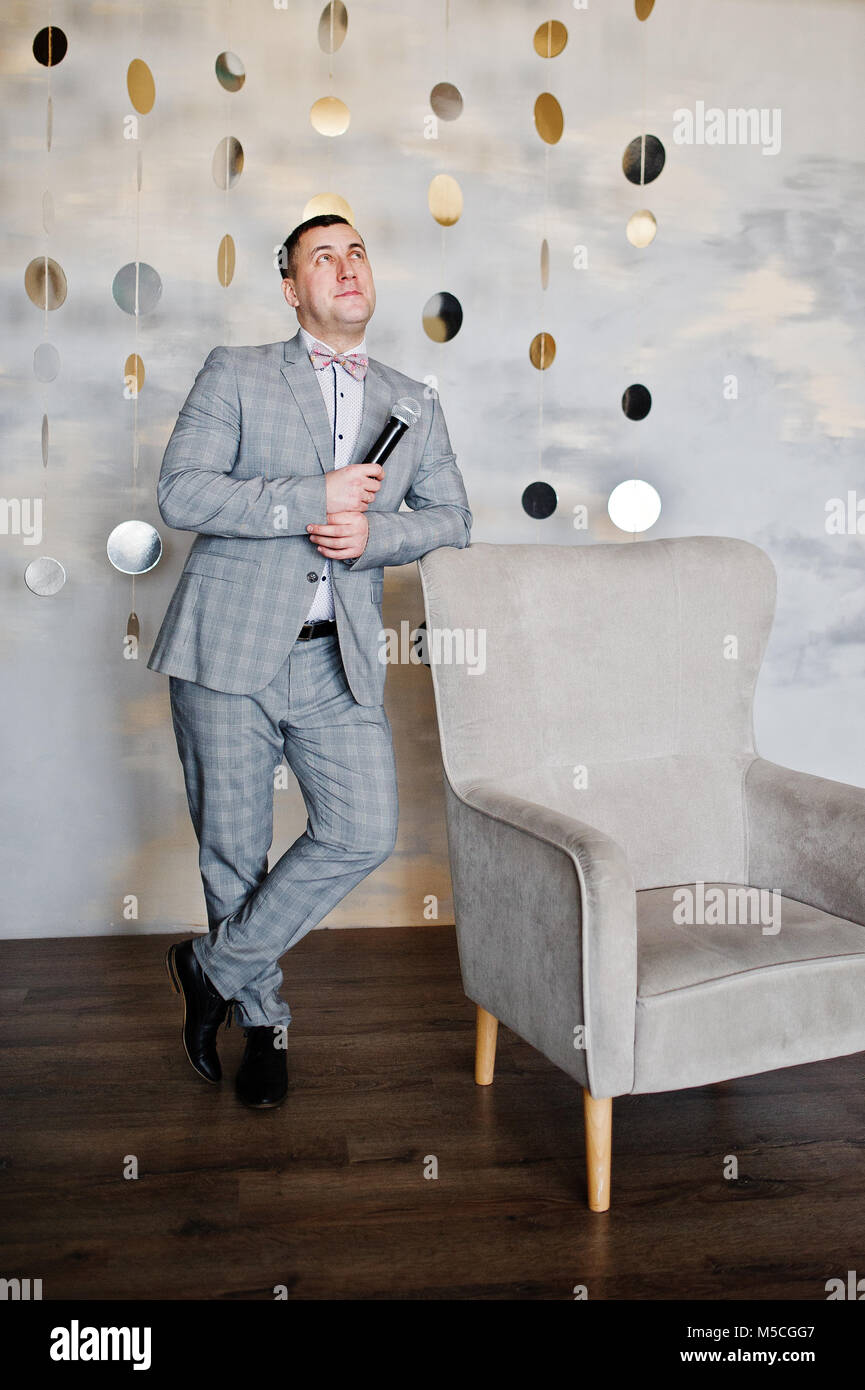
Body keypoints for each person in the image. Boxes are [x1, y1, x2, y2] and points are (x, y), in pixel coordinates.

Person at [149, 214, 472, 1108]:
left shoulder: (413, 399)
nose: (345, 267)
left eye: (357, 252)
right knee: (233, 853)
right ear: (292, 289)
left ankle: (207, 967)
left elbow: (453, 518)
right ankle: (264, 1024)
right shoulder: (237, 371)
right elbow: (182, 492)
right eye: (321, 258)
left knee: (361, 830)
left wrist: (372, 535)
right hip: (227, 651)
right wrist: (311, 498)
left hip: (339, 660)